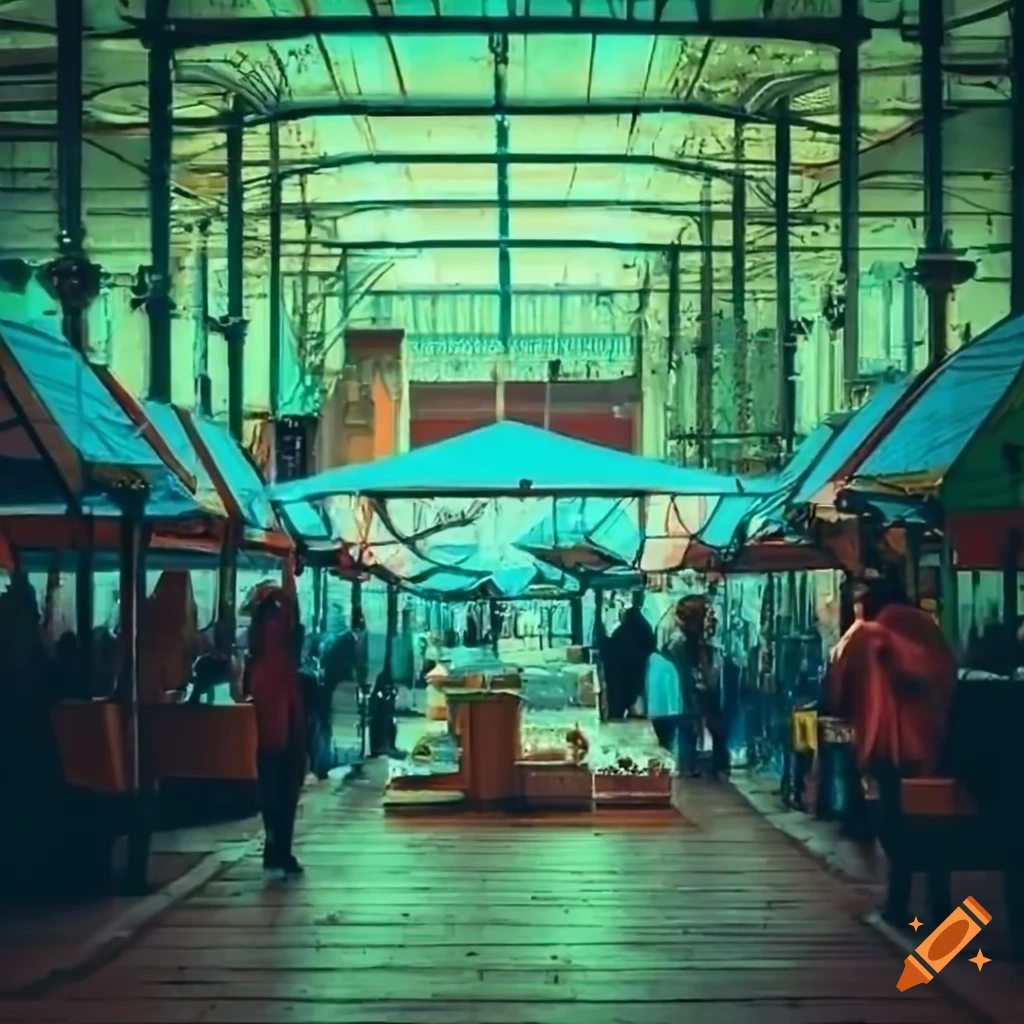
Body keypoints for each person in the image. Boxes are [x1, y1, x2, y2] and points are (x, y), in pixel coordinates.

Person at [828, 577, 956, 927]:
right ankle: (942, 908)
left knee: (895, 822)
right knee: (935, 823)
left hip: (892, 746)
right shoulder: (929, 632)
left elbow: (840, 691)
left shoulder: (869, 637)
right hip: (938, 741)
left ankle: (898, 906)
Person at [246, 588, 306, 878]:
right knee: (284, 794)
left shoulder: (256, 660)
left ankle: (275, 848)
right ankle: (280, 849)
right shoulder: (283, 660)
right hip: (283, 734)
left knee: (271, 795)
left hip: (268, 734)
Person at [603, 591, 656, 720]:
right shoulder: (645, 629)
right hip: (639, 672)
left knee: (618, 706)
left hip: (620, 675)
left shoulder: (620, 632)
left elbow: (611, 650)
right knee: (635, 701)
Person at [644, 649, 685, 772]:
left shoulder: (652, 663)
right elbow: (675, 693)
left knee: (660, 744)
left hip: (656, 713)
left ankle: (661, 770)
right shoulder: (670, 665)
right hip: (670, 713)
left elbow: (649, 688)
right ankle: (668, 770)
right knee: (669, 745)